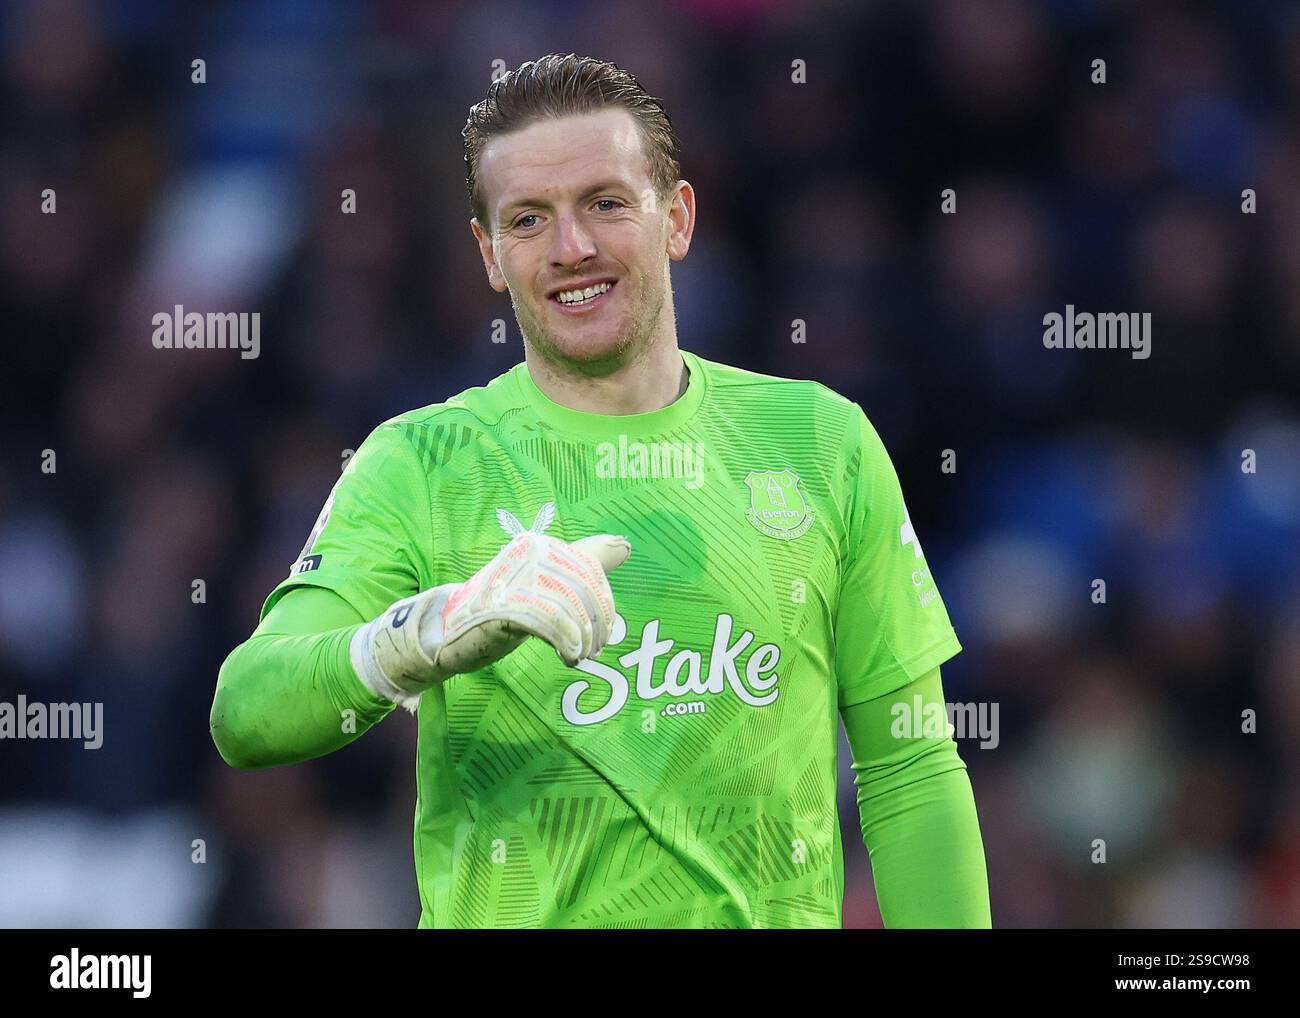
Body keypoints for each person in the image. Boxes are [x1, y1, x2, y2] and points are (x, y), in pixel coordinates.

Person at [211, 52, 991, 929]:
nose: (572, 247)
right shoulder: (420, 461)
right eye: (530, 219)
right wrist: (422, 635)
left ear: (678, 218)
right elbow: (247, 709)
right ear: (491, 256)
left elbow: (911, 772)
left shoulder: (821, 441)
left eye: (606, 203)